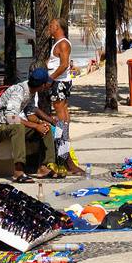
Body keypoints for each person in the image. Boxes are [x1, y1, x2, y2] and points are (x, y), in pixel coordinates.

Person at [0, 67, 59, 183]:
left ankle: (45, 167)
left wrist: (41, 123)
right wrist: (35, 126)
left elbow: (30, 114)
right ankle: (18, 171)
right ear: (42, 85)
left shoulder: (31, 92)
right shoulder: (19, 91)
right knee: (18, 127)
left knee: (45, 128)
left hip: (9, 126)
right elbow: (11, 118)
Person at [45, 18, 84, 176]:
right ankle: (64, 150)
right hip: (62, 82)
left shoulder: (62, 43)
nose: (49, 27)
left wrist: (50, 78)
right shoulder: (58, 43)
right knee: (63, 117)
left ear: (58, 27)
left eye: (52, 25)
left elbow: (64, 64)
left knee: (61, 120)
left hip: (59, 83)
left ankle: (64, 154)